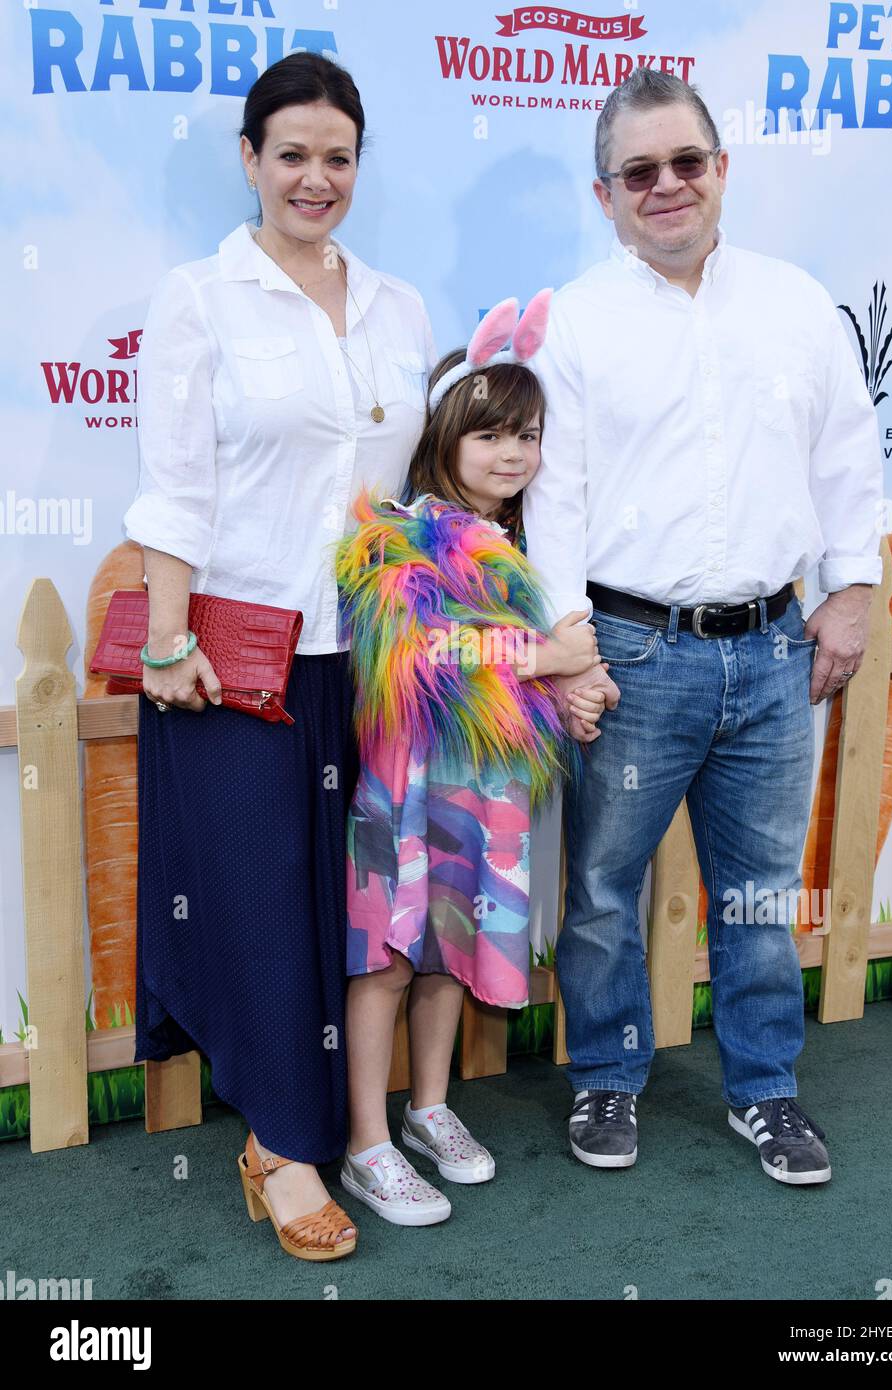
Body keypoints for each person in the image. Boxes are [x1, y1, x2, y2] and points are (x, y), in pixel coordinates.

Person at [522, 68, 883, 1184]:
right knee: (600, 893)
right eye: (641, 171)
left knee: (764, 892)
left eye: (687, 162)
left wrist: (855, 585)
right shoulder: (572, 324)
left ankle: (766, 1091)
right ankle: (607, 1078)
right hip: (631, 657)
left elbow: (846, 456)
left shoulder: (795, 303)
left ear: (723, 170)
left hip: (776, 650)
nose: (667, 185)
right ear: (605, 196)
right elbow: (556, 496)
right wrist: (570, 642)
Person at [123, 52, 435, 1260]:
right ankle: (283, 1146)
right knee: (258, 902)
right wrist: (162, 638)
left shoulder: (400, 305)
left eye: (339, 157)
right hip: (237, 657)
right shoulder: (198, 300)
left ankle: (343, 1126)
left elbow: (405, 485)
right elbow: (174, 491)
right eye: (292, 153)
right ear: (248, 159)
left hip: (371, 654)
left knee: (345, 910)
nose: (317, 178)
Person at [334, 296, 606, 1225]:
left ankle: (430, 1109)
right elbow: (418, 660)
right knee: (385, 957)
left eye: (527, 434)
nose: (511, 453)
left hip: (484, 795)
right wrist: (546, 660)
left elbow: (543, 660)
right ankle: (366, 1141)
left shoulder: (525, 553)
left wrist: (571, 685)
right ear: (445, 432)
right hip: (403, 789)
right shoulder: (398, 536)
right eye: (489, 432)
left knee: (449, 949)